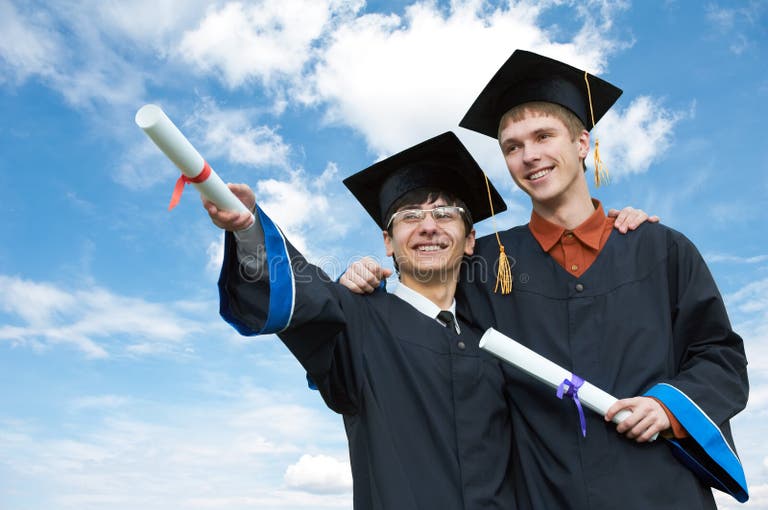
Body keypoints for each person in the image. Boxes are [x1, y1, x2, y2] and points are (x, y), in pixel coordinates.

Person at [342, 50, 749, 508]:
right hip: (545, 497)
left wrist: (666, 407)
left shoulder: (660, 250)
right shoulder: (487, 265)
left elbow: (720, 358)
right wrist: (363, 278)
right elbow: (424, 310)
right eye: (512, 147)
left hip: (661, 493)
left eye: (543, 136)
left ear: (581, 143)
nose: (529, 156)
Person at [209, 132, 517, 509]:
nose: (428, 226)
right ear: (387, 242)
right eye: (409, 216)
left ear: (470, 240)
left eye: (444, 214)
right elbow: (303, 291)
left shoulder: (497, 344)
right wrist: (248, 230)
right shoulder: (356, 321)